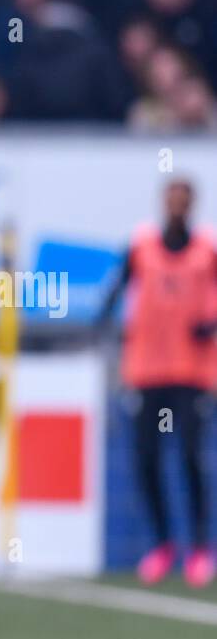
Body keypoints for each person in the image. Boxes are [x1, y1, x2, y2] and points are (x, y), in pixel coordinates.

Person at [99, 178, 217, 586]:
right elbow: (114, 292)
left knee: (189, 457)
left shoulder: (207, 250)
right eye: (172, 199)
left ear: (192, 205)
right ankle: (163, 543)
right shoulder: (142, 246)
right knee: (147, 459)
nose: (177, 207)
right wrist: (103, 329)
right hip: (148, 373)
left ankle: (200, 547)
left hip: (191, 374)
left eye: (184, 200)